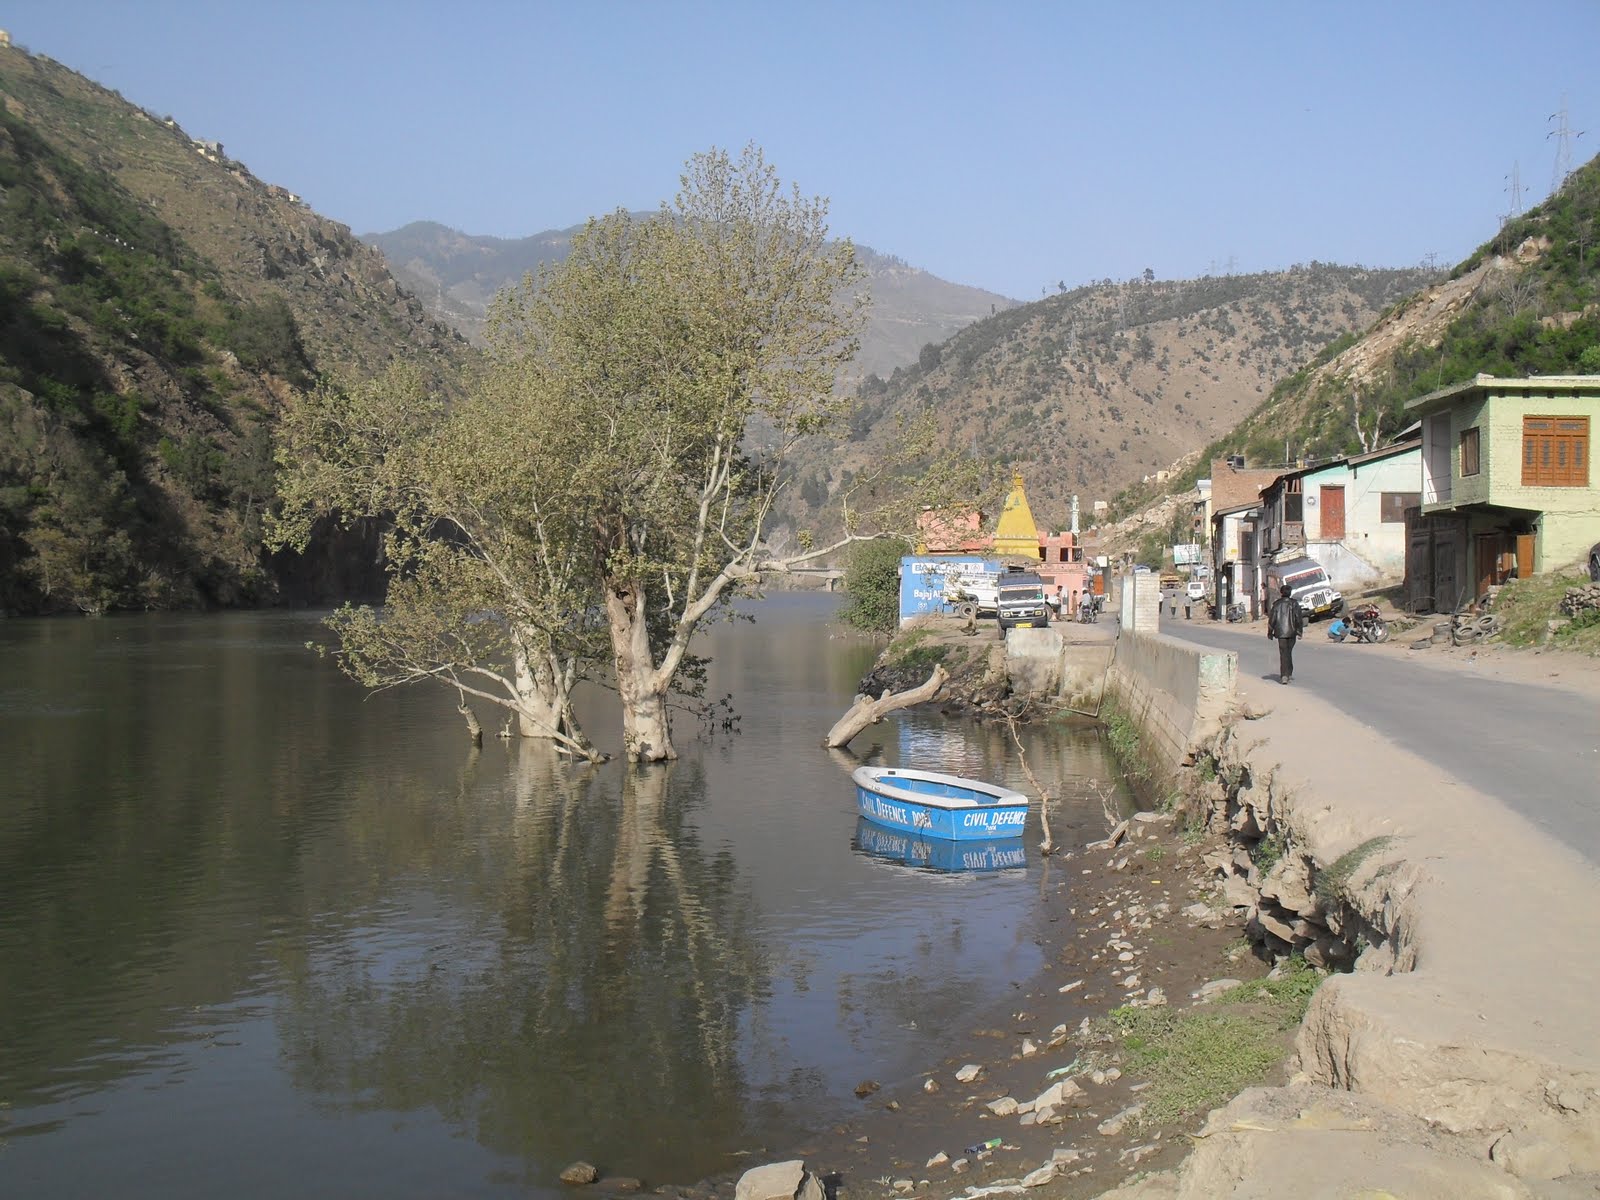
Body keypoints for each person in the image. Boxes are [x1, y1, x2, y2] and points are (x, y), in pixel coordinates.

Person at [1267, 584, 1306, 684]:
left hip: (1280, 632)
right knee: (1288, 652)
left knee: (1284, 653)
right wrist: (1299, 631)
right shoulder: (1294, 603)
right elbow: (1298, 618)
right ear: (1290, 593)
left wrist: (1270, 632)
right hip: (1292, 632)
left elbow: (1272, 619)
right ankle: (1288, 673)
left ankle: (1285, 675)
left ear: (1281, 592)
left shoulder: (1276, 604)